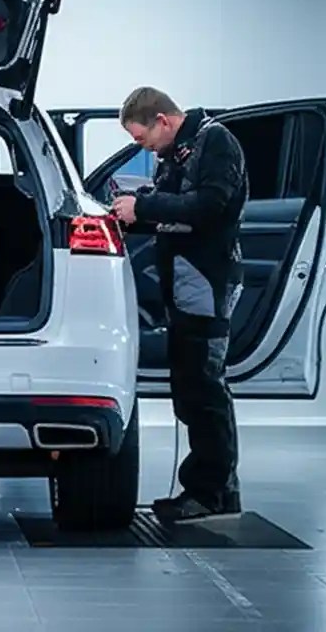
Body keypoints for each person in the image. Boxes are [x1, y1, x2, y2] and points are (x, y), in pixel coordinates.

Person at [110, 86, 248, 524]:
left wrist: (144, 204)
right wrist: (128, 215)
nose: (142, 147)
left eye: (141, 138)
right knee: (191, 390)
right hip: (186, 283)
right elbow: (172, 209)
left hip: (206, 282)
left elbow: (209, 205)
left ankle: (210, 493)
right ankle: (212, 489)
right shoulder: (177, 153)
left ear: (163, 121)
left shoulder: (216, 141)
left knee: (204, 389)